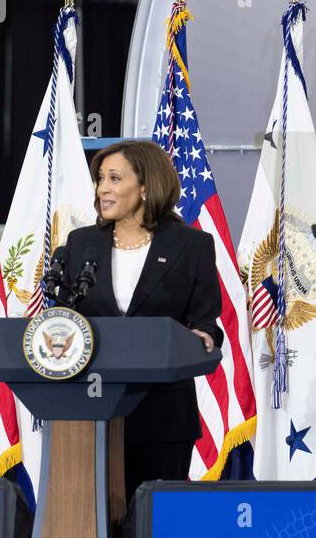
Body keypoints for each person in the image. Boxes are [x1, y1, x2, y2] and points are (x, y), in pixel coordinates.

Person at [52, 139, 222, 498]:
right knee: (91, 524)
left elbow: (206, 323)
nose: (103, 190)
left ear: (145, 186)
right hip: (90, 411)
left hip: (163, 416)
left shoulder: (192, 247)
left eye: (114, 179)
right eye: (100, 179)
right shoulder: (80, 244)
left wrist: (203, 336)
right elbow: (66, 318)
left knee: (151, 527)